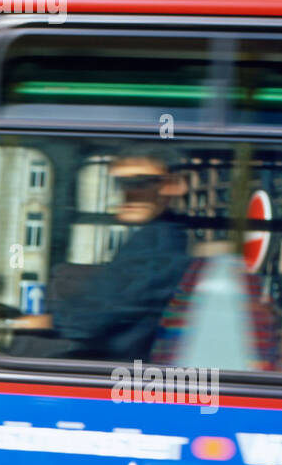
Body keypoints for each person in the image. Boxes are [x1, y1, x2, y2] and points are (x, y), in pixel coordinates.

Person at [10, 153, 191, 361]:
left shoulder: (157, 242)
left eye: (142, 182)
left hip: (118, 364)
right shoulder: (153, 237)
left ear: (170, 186)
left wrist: (41, 322)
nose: (128, 192)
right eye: (120, 183)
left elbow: (101, 314)